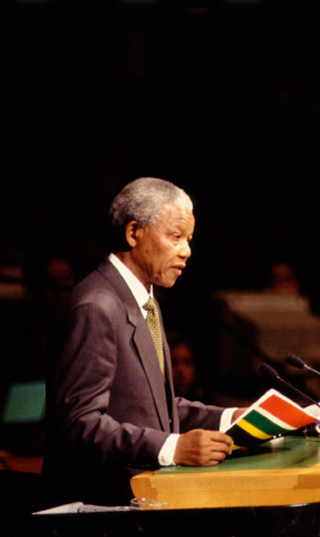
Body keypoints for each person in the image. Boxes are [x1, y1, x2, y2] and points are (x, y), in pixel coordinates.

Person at [42, 177, 244, 506]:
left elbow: (151, 408)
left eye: (189, 239)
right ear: (134, 233)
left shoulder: (144, 300)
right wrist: (173, 448)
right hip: (99, 508)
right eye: (175, 236)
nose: (186, 250)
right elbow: (79, 423)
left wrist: (232, 418)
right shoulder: (96, 306)